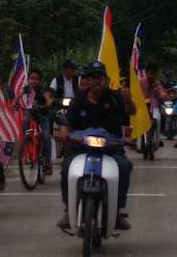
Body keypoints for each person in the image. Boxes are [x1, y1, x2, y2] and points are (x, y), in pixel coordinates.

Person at [57, 61, 137, 231]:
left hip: (111, 148)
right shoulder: (79, 100)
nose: (96, 81)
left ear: (105, 79)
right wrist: (64, 131)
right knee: (66, 168)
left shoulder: (115, 97)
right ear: (88, 80)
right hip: (81, 148)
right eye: (93, 78)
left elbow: (132, 111)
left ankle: (116, 212)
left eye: (99, 77)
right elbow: (67, 121)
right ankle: (68, 209)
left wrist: (129, 101)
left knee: (124, 167)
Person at [21, 68, 53, 175]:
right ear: (28, 79)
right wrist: (13, 104)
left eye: (36, 79)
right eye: (31, 78)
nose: (33, 81)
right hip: (32, 112)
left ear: (40, 81)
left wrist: (48, 101)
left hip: (43, 114)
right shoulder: (27, 88)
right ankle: (27, 138)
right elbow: (19, 95)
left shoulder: (41, 89)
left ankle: (48, 160)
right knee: (25, 120)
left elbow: (46, 97)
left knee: (46, 135)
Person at [139, 62, 167, 148]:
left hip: (153, 106)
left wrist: (163, 95)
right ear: (146, 73)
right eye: (150, 73)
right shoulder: (140, 82)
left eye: (154, 74)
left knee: (158, 119)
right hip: (141, 106)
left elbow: (160, 91)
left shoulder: (156, 83)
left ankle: (157, 140)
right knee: (138, 120)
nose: (152, 76)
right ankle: (137, 141)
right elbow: (135, 92)